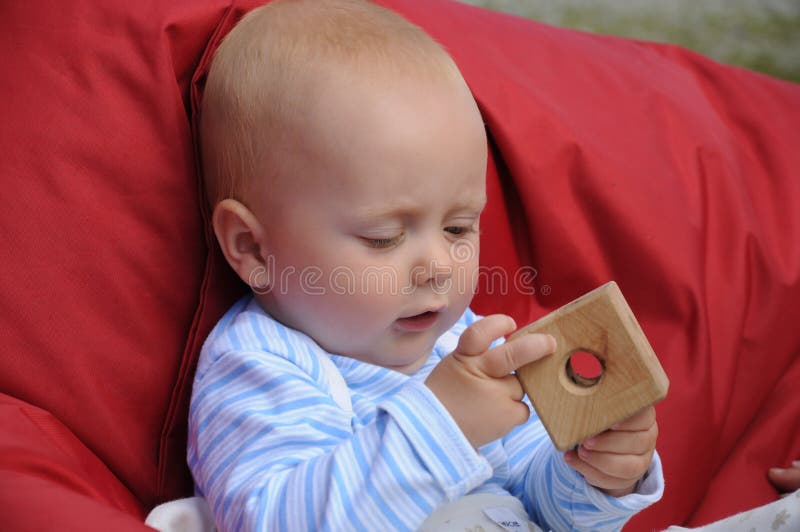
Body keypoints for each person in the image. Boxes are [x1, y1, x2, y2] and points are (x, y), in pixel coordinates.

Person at [187, 0, 664, 530]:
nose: (438, 266)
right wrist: (444, 426)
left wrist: (594, 471)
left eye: (459, 229)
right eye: (384, 237)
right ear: (254, 249)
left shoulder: (462, 342)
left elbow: (545, 511)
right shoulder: (262, 364)